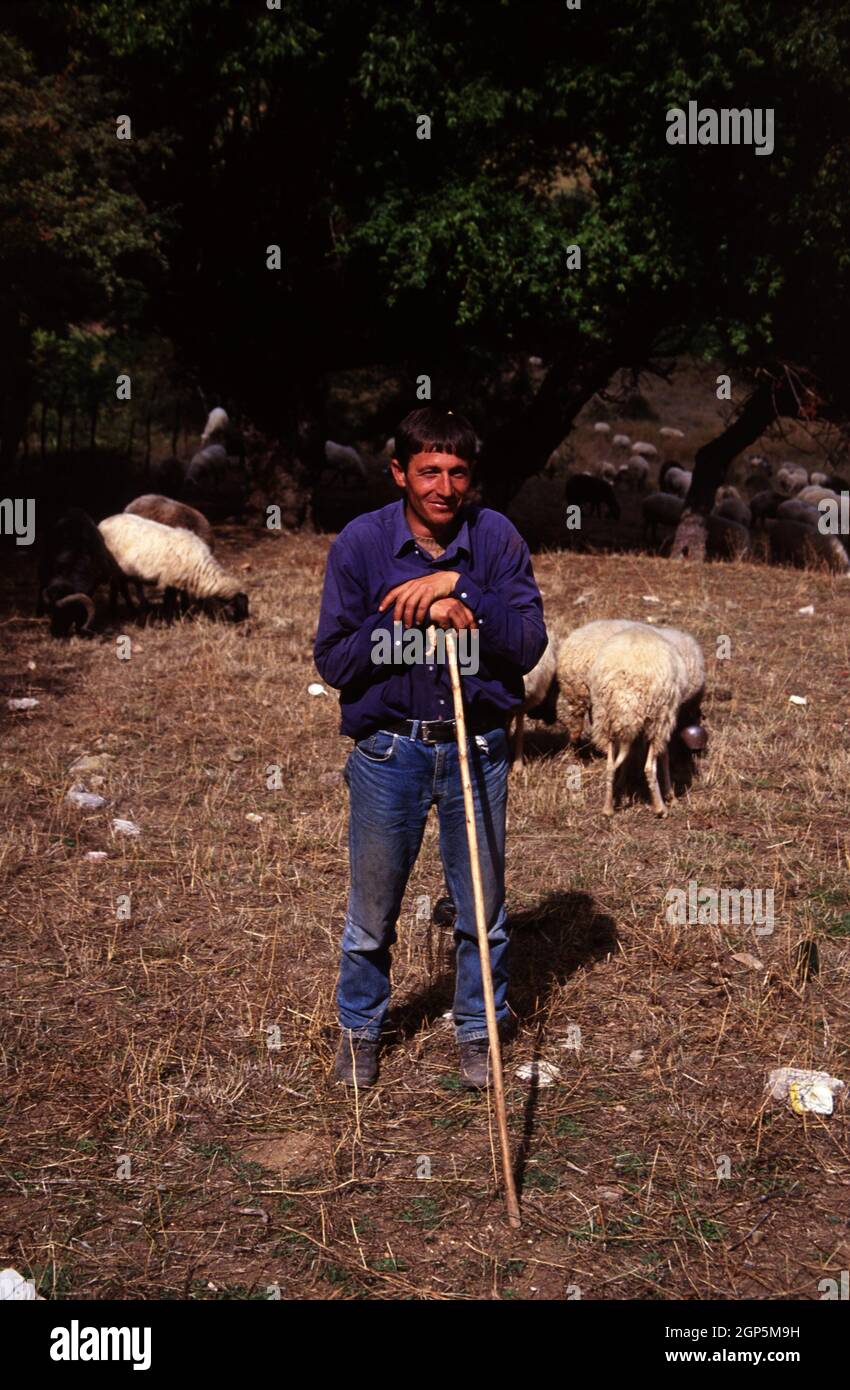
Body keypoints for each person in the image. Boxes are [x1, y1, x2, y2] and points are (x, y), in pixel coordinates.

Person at [313, 406, 547, 1088]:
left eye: (457, 472)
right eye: (428, 471)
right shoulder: (360, 544)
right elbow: (335, 661)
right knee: (372, 912)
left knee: (481, 909)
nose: (443, 487)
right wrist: (414, 615)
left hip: (477, 750)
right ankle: (360, 1031)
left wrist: (456, 585)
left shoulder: (495, 538)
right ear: (398, 473)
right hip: (391, 751)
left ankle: (478, 1031)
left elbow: (527, 645)